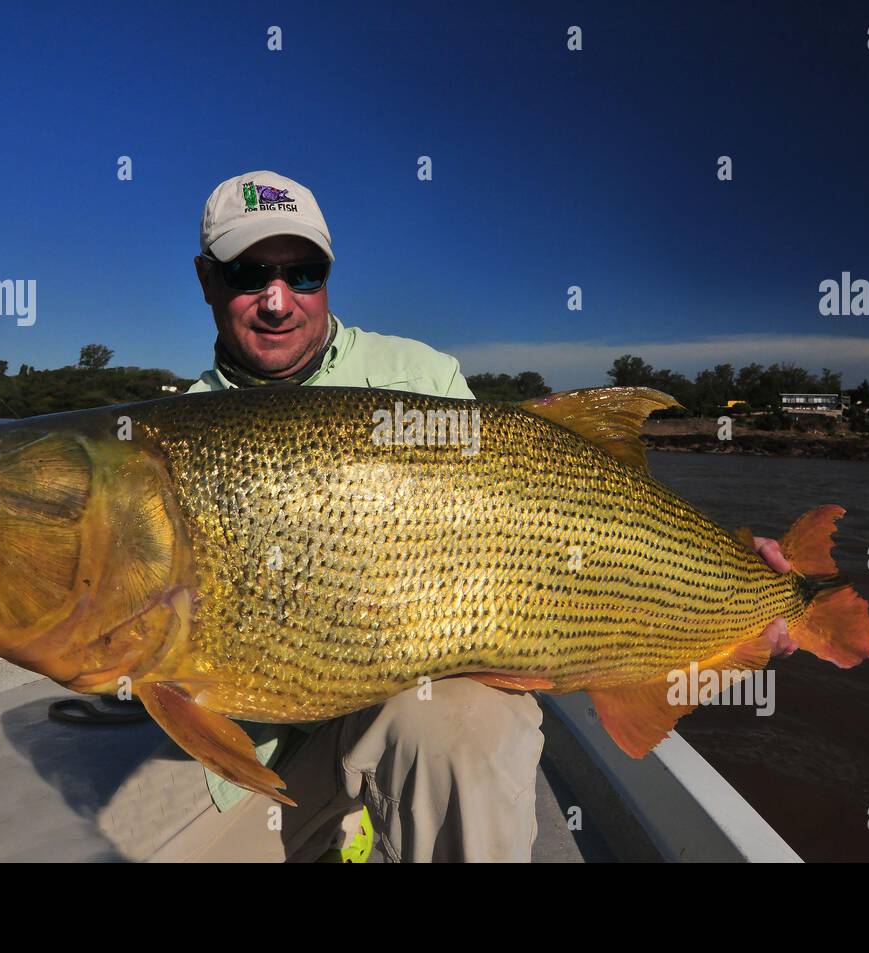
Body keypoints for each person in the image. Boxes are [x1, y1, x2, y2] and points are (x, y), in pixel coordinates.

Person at [186, 170, 798, 862]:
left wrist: (735, 582)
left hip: (428, 710)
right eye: (248, 271)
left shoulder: (421, 374)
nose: (277, 298)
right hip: (286, 757)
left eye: (303, 271)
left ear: (328, 273)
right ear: (208, 279)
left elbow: (571, 519)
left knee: (462, 722)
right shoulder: (177, 431)